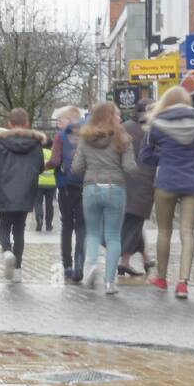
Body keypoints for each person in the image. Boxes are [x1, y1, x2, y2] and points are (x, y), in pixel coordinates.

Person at [140, 86, 194, 298]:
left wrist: (165, 159)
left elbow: (144, 155)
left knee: (164, 231)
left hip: (167, 180)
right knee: (187, 231)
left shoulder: (157, 123)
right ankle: (182, 283)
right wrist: (193, 163)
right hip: (193, 181)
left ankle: (161, 279)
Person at [69, 102, 139, 294]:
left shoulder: (85, 138)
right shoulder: (122, 137)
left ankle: (90, 267)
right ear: (109, 116)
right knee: (113, 236)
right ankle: (109, 282)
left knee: (92, 233)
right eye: (117, 114)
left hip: (90, 188)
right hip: (114, 188)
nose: (119, 118)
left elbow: (76, 168)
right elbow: (130, 168)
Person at [0, 108, 48, 283]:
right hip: (26, 191)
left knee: (4, 226)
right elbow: (40, 166)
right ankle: (18, 269)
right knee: (19, 230)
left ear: (9, 124)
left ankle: (6, 251)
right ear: (27, 123)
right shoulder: (35, 143)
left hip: (5, 190)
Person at [47, 106, 87, 282]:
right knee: (82, 226)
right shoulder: (88, 135)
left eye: (60, 121)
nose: (58, 125)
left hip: (65, 186)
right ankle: (80, 261)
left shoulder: (60, 137)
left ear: (69, 120)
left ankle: (68, 266)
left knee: (67, 225)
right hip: (85, 185)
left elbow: (55, 160)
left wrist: (43, 167)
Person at [117, 97, 156, 277]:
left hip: (124, 180)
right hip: (145, 181)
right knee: (135, 222)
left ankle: (146, 259)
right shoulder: (154, 129)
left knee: (134, 221)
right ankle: (123, 261)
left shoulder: (124, 127)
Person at [34, 150, 56, 231]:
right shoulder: (53, 153)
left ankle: (39, 217)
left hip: (39, 182)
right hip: (51, 182)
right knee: (49, 204)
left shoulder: (38, 152)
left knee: (38, 202)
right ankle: (49, 224)